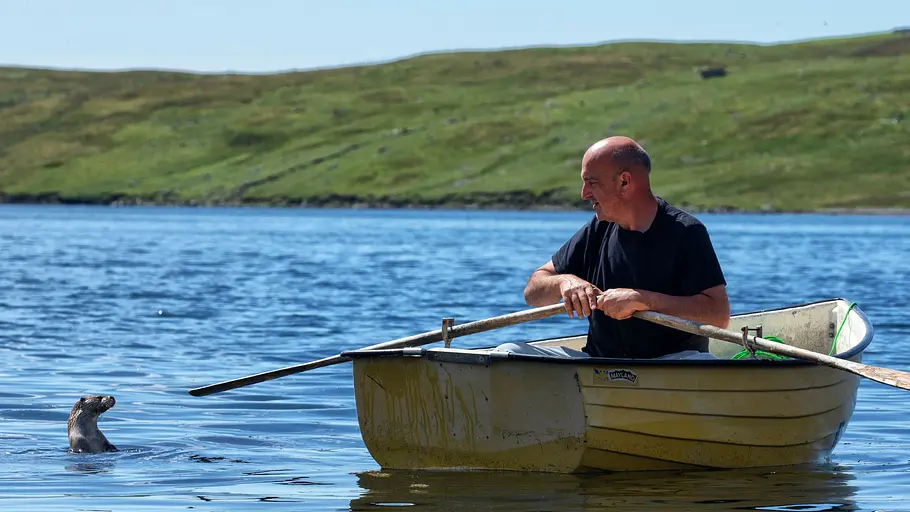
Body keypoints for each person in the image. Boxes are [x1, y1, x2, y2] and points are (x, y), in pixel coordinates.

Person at [499, 136, 729, 359]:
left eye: (591, 183)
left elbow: (718, 314)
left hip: (672, 365)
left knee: (700, 362)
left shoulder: (687, 231)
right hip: (598, 365)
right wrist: (564, 282)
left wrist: (642, 300)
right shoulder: (598, 228)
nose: (583, 193)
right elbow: (532, 293)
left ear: (624, 182)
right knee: (508, 351)